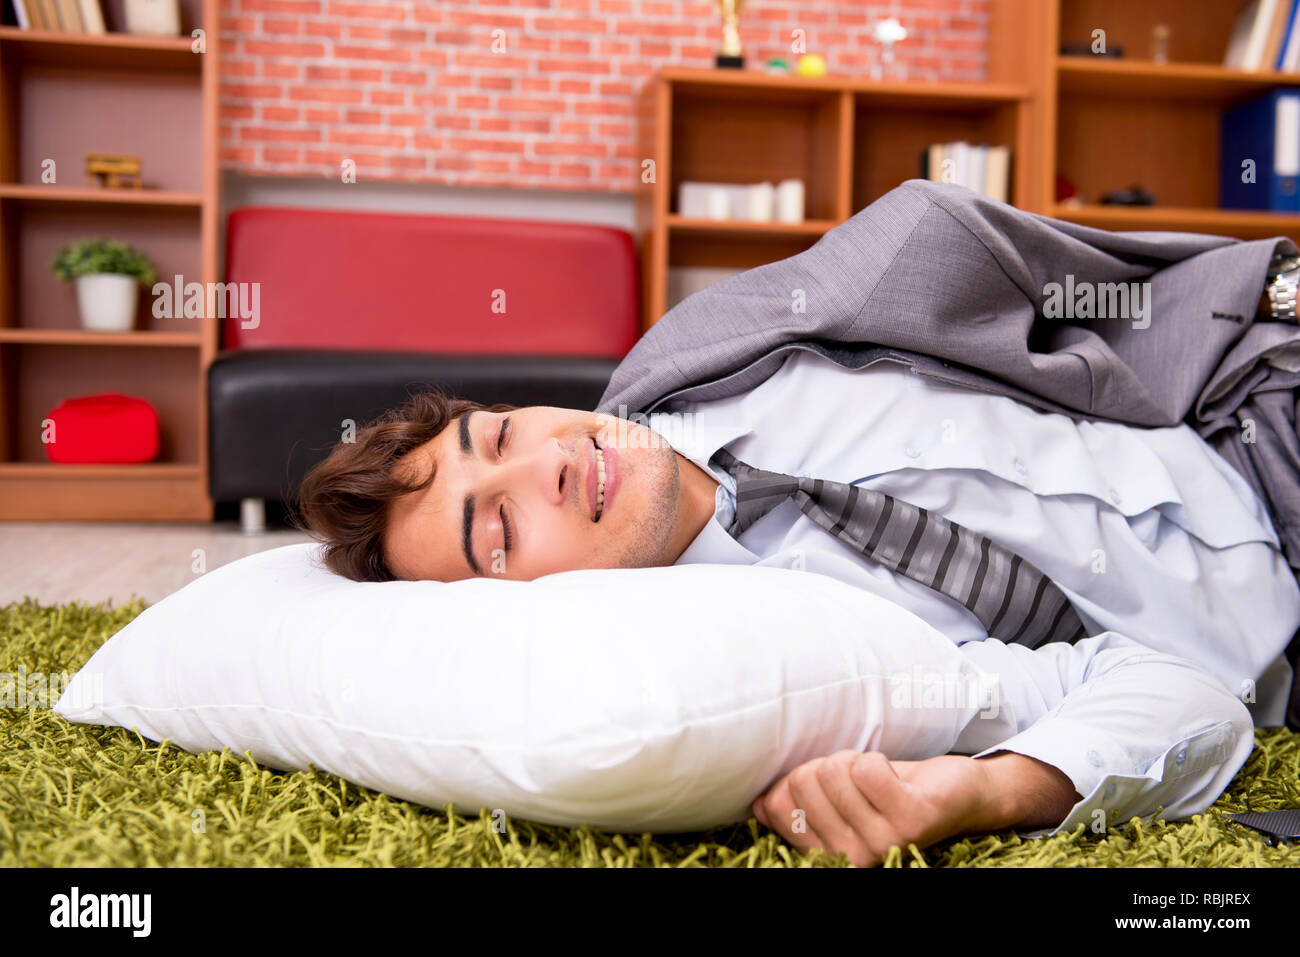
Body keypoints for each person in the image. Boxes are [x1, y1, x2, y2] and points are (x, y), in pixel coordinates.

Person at [291, 298, 1300, 865]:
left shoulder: (734, 349)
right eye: (500, 531)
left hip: (1242, 380)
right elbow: (1187, 698)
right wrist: (988, 788)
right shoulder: (807, 654)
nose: (544, 465)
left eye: (503, 435)